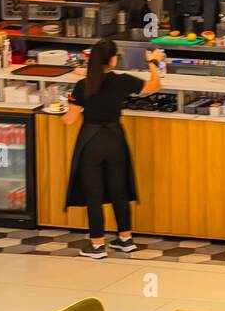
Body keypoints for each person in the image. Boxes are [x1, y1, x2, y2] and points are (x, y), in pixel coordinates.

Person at [63, 39, 164, 258]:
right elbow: (155, 86)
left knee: (94, 194)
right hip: (116, 139)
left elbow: (69, 120)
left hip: (91, 141)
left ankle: (98, 244)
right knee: (119, 190)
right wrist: (153, 63)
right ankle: (125, 239)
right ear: (113, 59)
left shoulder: (83, 85)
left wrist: (62, 108)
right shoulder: (122, 81)